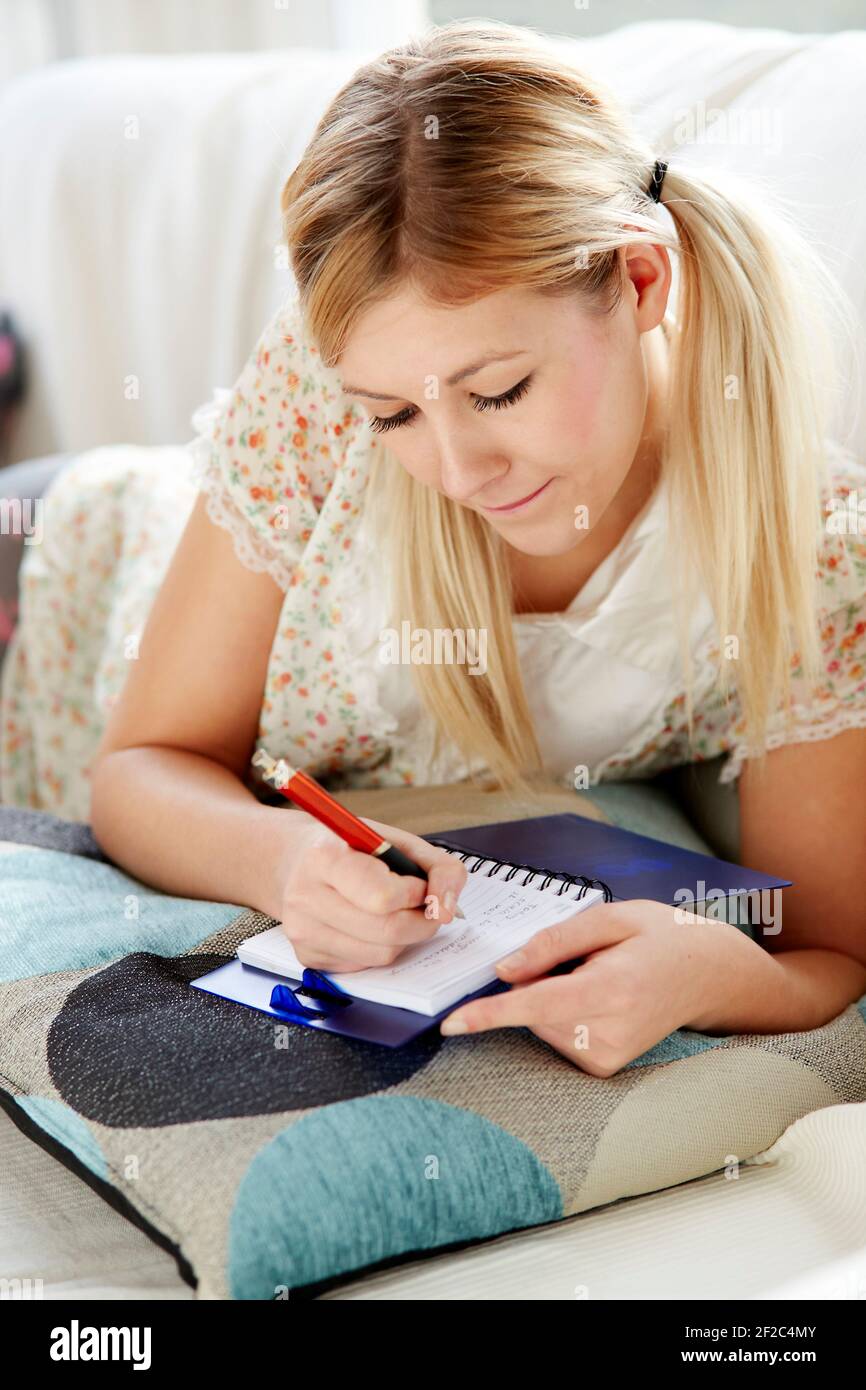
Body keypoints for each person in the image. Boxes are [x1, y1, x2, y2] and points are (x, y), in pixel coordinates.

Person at [3, 19, 865, 1075]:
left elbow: (825, 947)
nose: (457, 473)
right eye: (391, 416)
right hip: (54, 584)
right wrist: (286, 861)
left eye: (497, 391)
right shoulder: (312, 405)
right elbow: (140, 766)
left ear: (640, 283)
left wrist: (710, 967)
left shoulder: (804, 549)